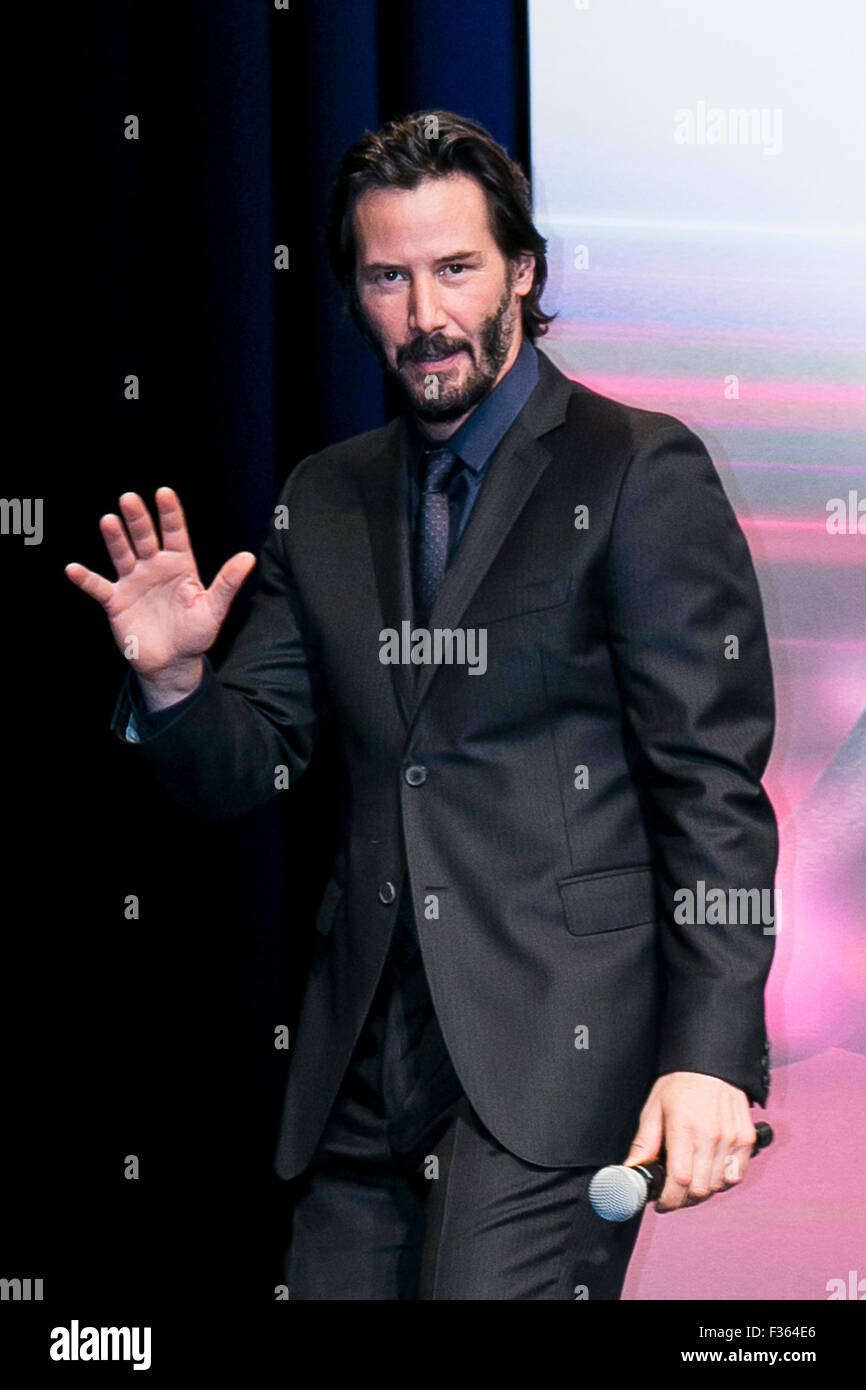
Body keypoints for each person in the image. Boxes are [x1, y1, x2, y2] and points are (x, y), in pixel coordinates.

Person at [65, 110, 777, 1300]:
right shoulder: (327, 496)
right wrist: (177, 685)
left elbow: (711, 789)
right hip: (361, 1066)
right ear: (353, 292)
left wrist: (710, 1061)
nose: (424, 312)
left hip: (557, 1058)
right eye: (387, 277)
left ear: (524, 271)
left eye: (455, 268)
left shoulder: (633, 468)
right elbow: (245, 765)